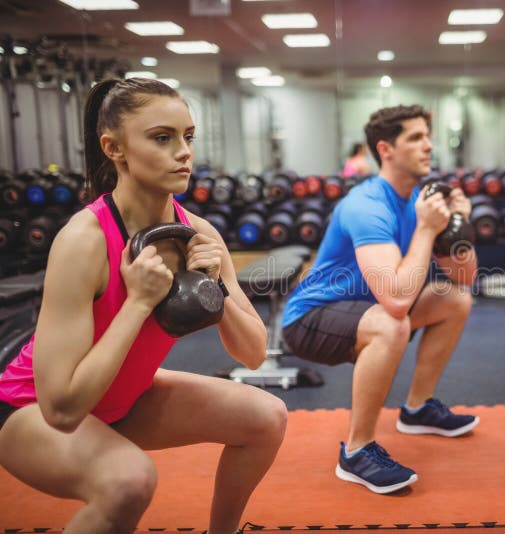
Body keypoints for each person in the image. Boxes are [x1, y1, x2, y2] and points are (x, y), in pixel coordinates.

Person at [0, 78, 287, 533]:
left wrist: (218, 289)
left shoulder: (200, 234)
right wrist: (137, 303)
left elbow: (252, 354)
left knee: (267, 417)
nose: (184, 151)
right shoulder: (84, 241)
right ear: (114, 148)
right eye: (162, 138)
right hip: (31, 412)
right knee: (129, 482)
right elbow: (62, 409)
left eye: (188, 136)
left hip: (123, 400)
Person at [281, 104, 478, 494]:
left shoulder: (419, 199)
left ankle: (419, 409)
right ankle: (357, 452)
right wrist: (426, 229)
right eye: (416, 138)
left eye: (427, 135)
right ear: (386, 149)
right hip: (310, 317)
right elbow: (397, 300)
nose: (428, 145)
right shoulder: (366, 205)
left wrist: (459, 228)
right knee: (393, 322)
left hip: (368, 309)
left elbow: (465, 277)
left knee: (453, 299)